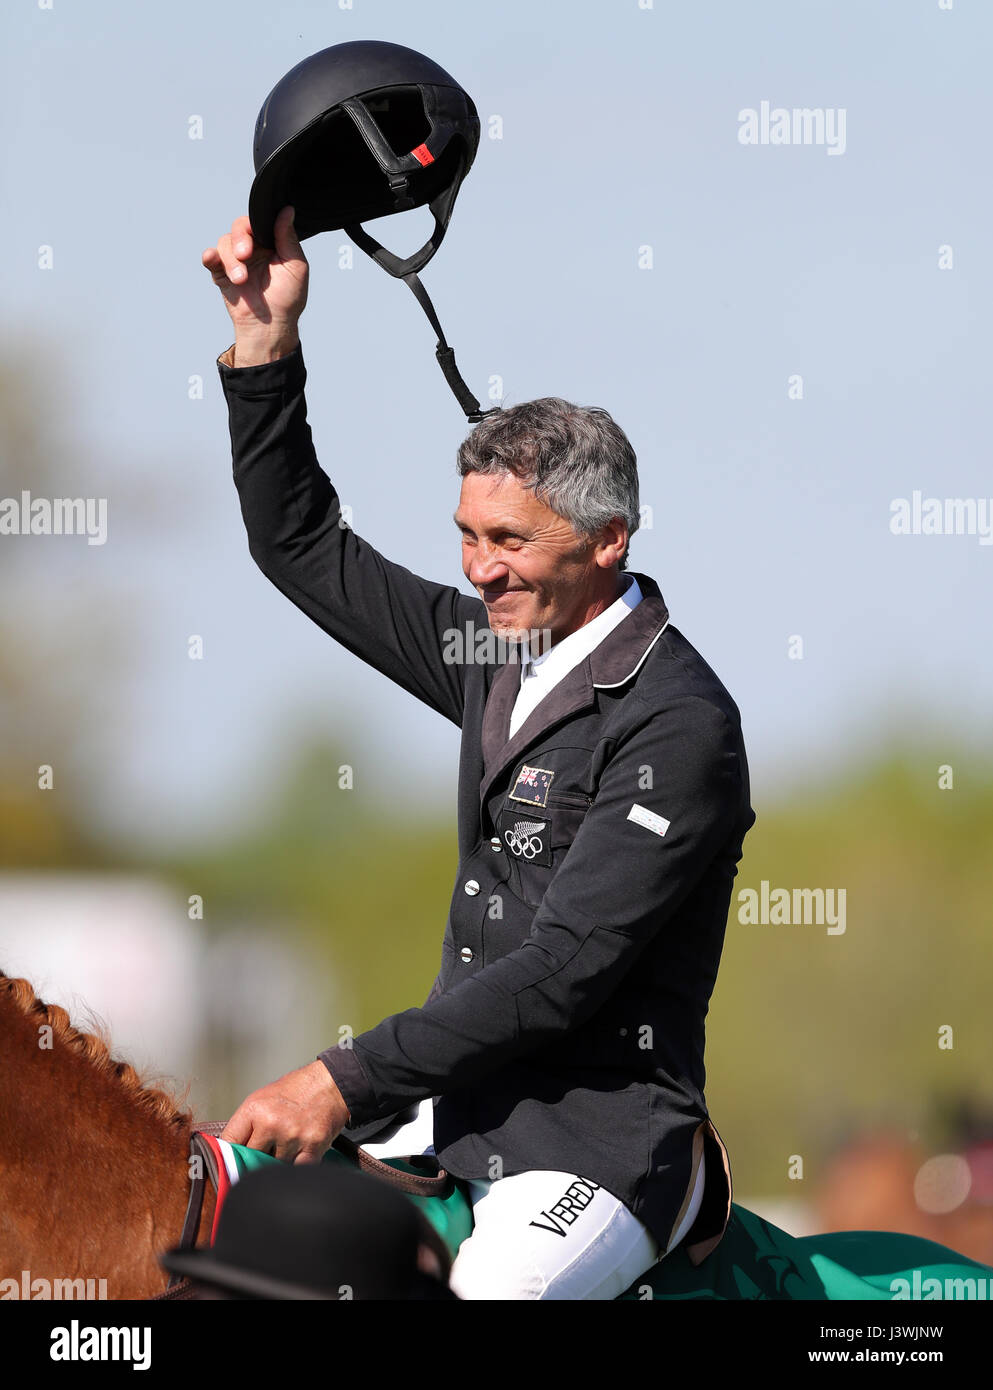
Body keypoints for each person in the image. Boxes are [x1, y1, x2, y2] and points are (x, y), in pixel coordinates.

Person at [202, 206, 755, 1300]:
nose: (481, 568)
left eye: (511, 542)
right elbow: (301, 544)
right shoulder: (487, 646)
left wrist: (338, 1076)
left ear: (608, 541)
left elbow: (557, 977)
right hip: (449, 1114)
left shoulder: (681, 722)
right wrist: (265, 343)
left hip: (601, 1146)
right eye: (467, 534)